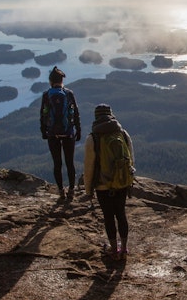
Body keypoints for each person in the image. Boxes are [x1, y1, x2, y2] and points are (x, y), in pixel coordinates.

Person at [84, 104, 134, 258]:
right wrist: (129, 180)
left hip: (102, 185)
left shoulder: (93, 138)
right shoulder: (123, 134)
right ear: (111, 115)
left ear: (96, 117)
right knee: (121, 214)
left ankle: (114, 250)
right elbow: (130, 160)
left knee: (108, 216)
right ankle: (124, 249)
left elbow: (89, 167)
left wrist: (88, 190)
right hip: (121, 182)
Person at [40, 66, 81, 202]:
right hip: (68, 133)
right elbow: (75, 113)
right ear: (62, 80)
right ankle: (71, 190)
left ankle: (61, 191)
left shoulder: (47, 95)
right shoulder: (69, 93)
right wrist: (78, 130)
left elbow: (43, 114)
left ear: (51, 81)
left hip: (53, 134)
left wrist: (44, 131)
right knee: (70, 163)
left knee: (57, 163)